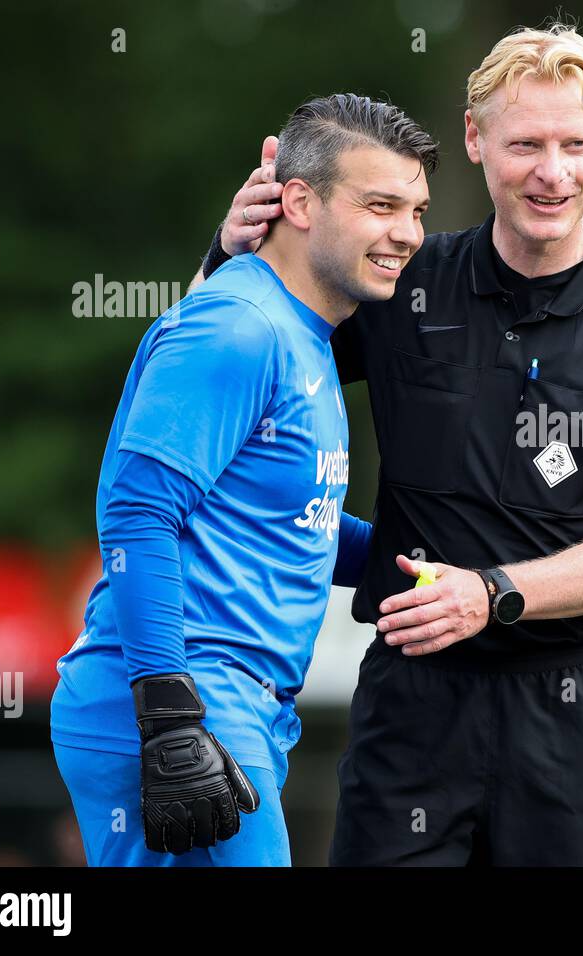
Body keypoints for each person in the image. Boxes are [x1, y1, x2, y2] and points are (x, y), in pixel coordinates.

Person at [202, 23, 583, 865]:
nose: (552, 172)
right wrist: (231, 256)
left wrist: (491, 593)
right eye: (525, 143)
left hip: (582, 715)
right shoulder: (396, 278)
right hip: (413, 702)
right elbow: (222, 365)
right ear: (477, 141)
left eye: (575, 144)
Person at [51, 93, 438, 865]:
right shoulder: (240, 326)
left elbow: (288, 523)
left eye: (417, 210)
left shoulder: (306, 332)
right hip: (182, 700)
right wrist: (168, 717)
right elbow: (136, 512)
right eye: (380, 205)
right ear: (298, 201)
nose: (406, 234)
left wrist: (441, 568)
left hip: (224, 707)